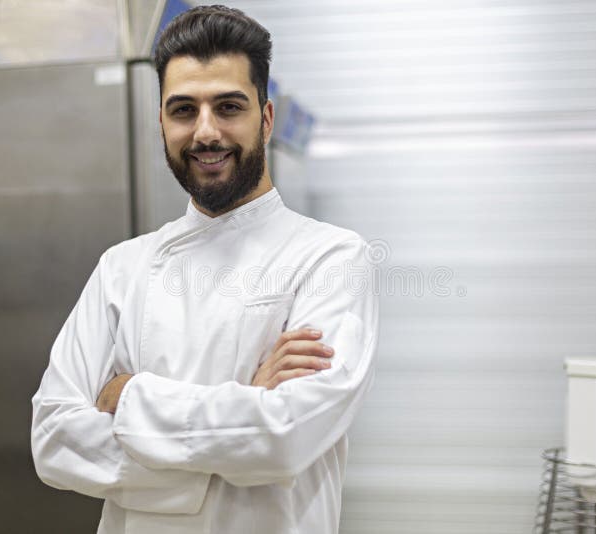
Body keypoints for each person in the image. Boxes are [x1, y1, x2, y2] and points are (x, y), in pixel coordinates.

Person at [31, 5, 378, 534]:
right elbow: (54, 439)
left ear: (265, 117)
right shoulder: (121, 267)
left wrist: (126, 396)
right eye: (184, 110)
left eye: (228, 106)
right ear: (163, 121)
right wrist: (243, 421)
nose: (206, 132)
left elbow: (285, 438)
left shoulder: (330, 257)